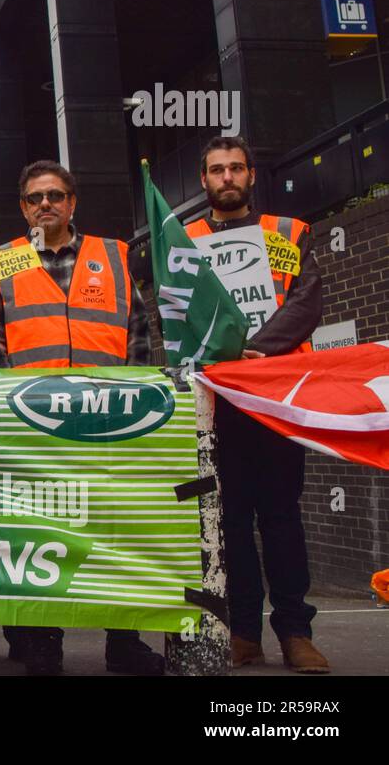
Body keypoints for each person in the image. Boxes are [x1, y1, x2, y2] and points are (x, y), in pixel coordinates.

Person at [0, 161, 163, 677]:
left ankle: (123, 642)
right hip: (34, 424)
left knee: (114, 532)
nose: (46, 205)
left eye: (55, 196)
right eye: (35, 197)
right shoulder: (3, 262)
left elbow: (138, 336)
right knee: (40, 536)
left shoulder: (114, 254)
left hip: (110, 423)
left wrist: (136, 407)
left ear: (72, 202)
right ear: (22, 207)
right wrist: (12, 407)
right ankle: (42, 643)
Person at [185, 137, 327, 673]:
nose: (227, 177)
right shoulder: (186, 240)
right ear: (203, 180)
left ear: (250, 175)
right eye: (217, 170)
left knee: (283, 518)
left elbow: (305, 302)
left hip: (276, 398)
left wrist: (257, 351)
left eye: (236, 168)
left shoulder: (287, 233)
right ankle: (244, 632)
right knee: (232, 524)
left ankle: (295, 632)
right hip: (218, 404)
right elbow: (177, 312)